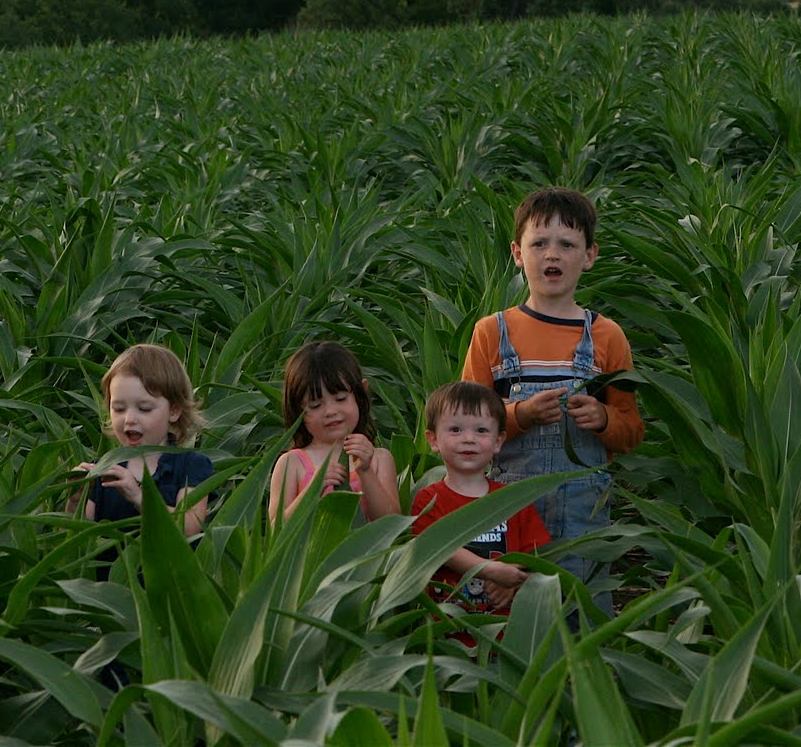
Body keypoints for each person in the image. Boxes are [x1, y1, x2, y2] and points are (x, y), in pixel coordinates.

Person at [461, 186, 643, 605]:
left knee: (581, 611)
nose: (552, 254)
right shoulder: (492, 332)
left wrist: (602, 419)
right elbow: (463, 430)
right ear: (517, 253)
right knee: (508, 617)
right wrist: (519, 414)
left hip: (584, 517)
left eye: (567, 244)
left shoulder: (606, 336)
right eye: (539, 243)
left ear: (590, 255)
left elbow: (632, 431)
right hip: (507, 509)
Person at [412, 381, 550, 638]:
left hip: (507, 635)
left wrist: (514, 582)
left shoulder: (514, 500)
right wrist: (491, 570)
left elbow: (533, 559)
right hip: (448, 639)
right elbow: (438, 548)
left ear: (498, 441)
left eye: (481, 430)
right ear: (433, 440)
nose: (468, 439)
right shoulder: (428, 500)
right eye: (455, 429)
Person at [72, 343, 211, 538]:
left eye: (144, 408)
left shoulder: (191, 466)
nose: (129, 419)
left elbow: (188, 527)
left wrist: (139, 497)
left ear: (174, 410)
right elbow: (74, 539)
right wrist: (76, 500)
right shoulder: (103, 471)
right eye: (119, 409)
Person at [268, 341, 399, 523]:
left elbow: (392, 524)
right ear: (298, 411)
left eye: (340, 398)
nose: (330, 411)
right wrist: (313, 490)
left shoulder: (379, 459)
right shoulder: (291, 463)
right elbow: (276, 530)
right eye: (315, 405)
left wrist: (366, 472)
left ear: (360, 394)